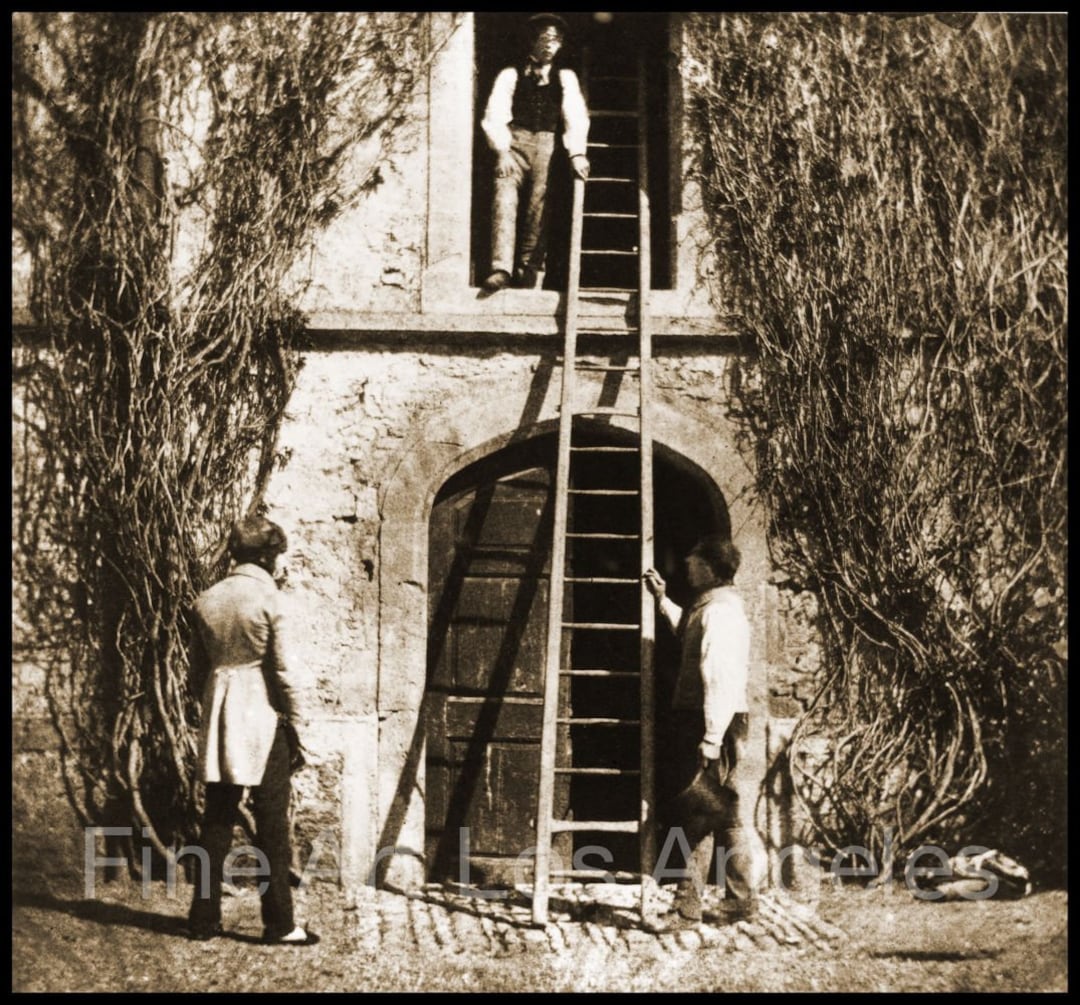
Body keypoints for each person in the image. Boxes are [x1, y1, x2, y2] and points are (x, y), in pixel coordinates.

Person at [186, 515, 318, 946]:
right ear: (266, 556)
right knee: (272, 822)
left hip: (221, 709)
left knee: (217, 817)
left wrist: (215, 701)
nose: (277, 563)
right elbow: (283, 672)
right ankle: (280, 924)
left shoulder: (206, 599)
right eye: (275, 555)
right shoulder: (270, 599)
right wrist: (296, 722)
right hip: (261, 714)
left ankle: (203, 921)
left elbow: (194, 673)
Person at [642, 534, 767, 931]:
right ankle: (741, 901)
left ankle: (685, 910)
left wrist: (712, 738)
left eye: (694, 563)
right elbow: (691, 635)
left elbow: (719, 677)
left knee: (696, 811)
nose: (686, 568)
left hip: (713, 718)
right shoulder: (712, 607)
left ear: (712, 569)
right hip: (717, 718)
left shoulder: (721, 614)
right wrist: (663, 601)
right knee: (724, 812)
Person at [479, 12, 590, 294]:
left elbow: (575, 116)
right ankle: (500, 267)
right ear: (533, 40)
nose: (550, 45)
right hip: (514, 142)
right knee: (503, 194)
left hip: (548, 146)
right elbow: (495, 113)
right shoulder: (511, 74)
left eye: (556, 40)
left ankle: (528, 272)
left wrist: (577, 152)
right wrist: (502, 150)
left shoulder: (565, 77)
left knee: (539, 207)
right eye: (545, 38)